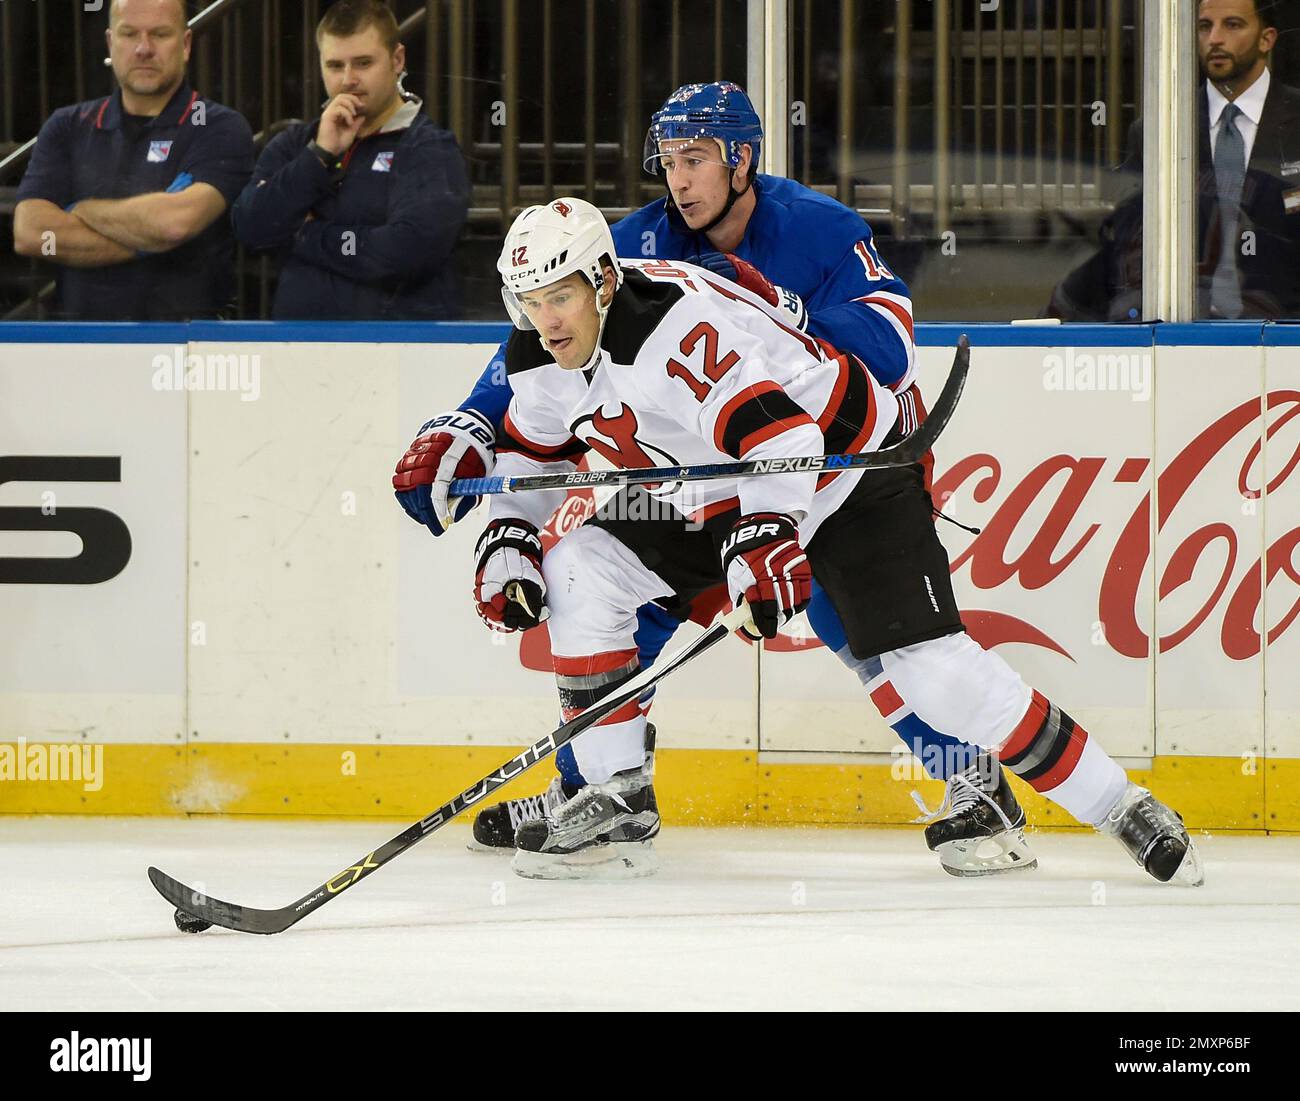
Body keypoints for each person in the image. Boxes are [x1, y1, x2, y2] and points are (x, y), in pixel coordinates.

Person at [468, 196, 1204, 887]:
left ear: (601, 281)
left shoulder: (672, 332)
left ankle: (1121, 804)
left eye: (558, 296)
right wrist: (508, 534)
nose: (545, 320)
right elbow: (535, 450)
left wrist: (764, 536)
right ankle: (615, 802)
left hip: (846, 464)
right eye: (528, 302)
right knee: (579, 568)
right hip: (719, 484)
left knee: (934, 673)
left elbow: (781, 435)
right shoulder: (541, 350)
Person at [396, 82, 1032, 876]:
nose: (679, 181)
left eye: (694, 159)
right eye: (667, 161)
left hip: (816, 464)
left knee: (844, 607)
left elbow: (892, 348)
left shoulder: (818, 229)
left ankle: (968, 775)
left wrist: (787, 311)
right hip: (693, 478)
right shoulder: (633, 244)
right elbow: (541, 336)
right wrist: (470, 422)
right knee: (618, 594)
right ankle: (595, 786)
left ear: (742, 160)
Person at [1050, 0, 1300, 321]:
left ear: (1267, 38)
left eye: (1233, 25)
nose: (1215, 39)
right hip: (1183, 330)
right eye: (1204, 26)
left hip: (1287, 331)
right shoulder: (1158, 129)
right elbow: (1132, 241)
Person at [12, 0, 253, 320]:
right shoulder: (67, 125)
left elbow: (174, 225)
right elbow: (31, 236)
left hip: (184, 351)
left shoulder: (219, 126)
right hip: (79, 348)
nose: (144, 48)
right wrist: (148, 235)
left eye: (160, 34)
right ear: (111, 42)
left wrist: (81, 209)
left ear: (185, 45)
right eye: (129, 34)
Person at [232, 0, 469, 320]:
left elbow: (406, 251)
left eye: (363, 63)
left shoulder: (429, 147)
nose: (347, 79)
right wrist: (319, 154)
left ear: (397, 59)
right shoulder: (295, 144)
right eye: (334, 66)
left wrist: (306, 235)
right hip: (293, 351)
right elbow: (250, 226)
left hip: (399, 354)